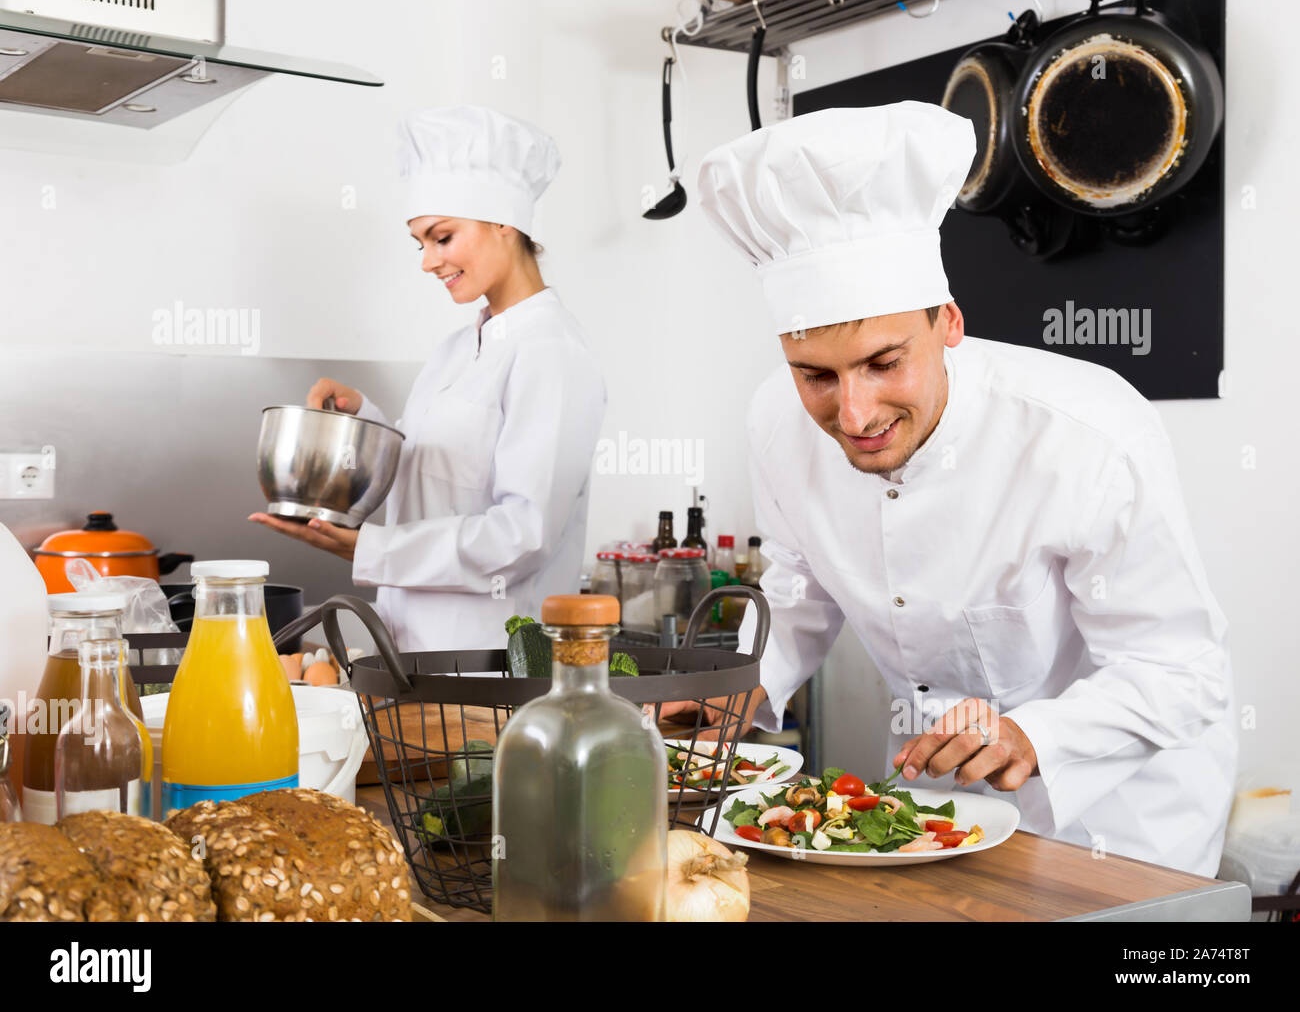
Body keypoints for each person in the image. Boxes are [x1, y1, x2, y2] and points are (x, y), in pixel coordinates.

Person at [680, 101, 1235, 876]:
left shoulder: (1087, 436)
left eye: (883, 361)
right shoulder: (776, 421)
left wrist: (1035, 736)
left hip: (1120, 819)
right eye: (816, 375)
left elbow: (1182, 673)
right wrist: (731, 689)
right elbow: (802, 586)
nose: (855, 412)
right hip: (934, 801)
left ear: (948, 321)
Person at [250, 105, 606, 652]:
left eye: (442, 237)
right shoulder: (459, 348)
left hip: (488, 664)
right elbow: (435, 472)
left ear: (504, 222)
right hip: (412, 650)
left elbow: (524, 536)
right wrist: (361, 419)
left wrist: (368, 550)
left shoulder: (552, 352)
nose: (427, 262)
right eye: (420, 243)